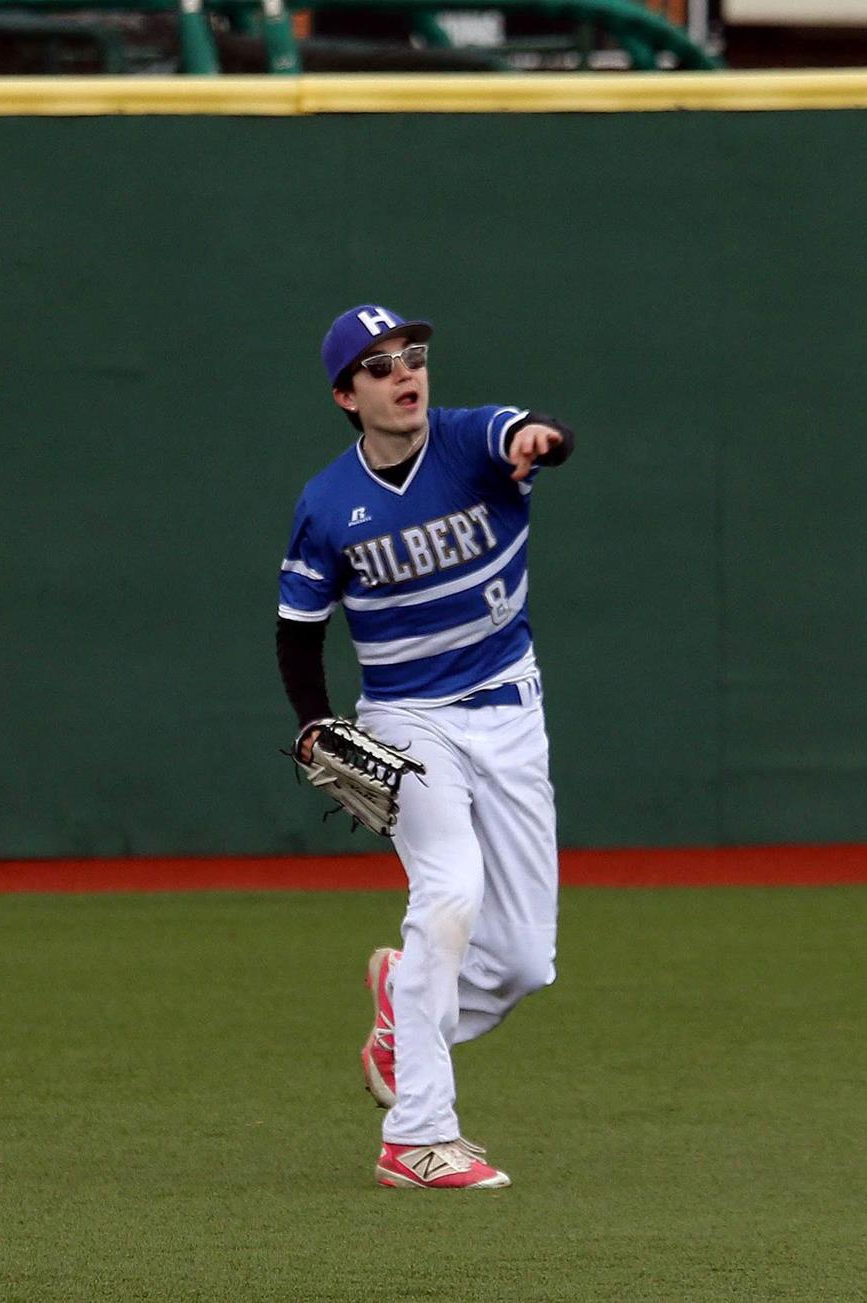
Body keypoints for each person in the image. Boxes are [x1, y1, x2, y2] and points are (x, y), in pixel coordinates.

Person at [275, 304, 575, 1190]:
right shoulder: (328, 504)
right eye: (379, 365)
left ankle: (400, 1013)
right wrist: (314, 723)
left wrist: (541, 444)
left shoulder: (475, 439)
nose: (405, 372)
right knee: (449, 890)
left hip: (512, 709)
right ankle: (417, 1137)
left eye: (412, 355)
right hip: (411, 721)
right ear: (346, 395)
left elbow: (536, 433)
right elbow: (298, 628)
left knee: (524, 960)